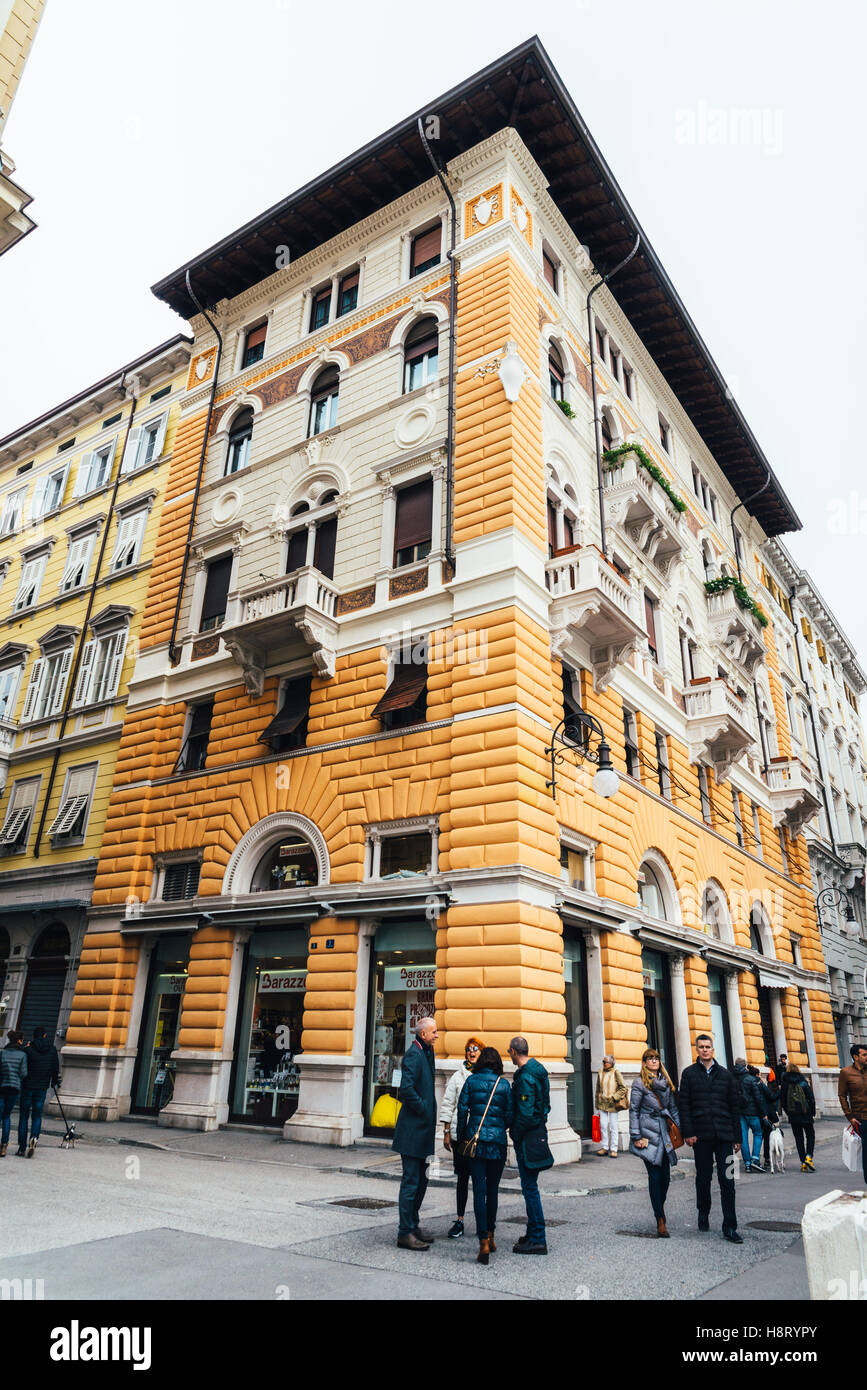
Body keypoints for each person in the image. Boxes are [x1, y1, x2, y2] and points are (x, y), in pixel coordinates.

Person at [678, 1033, 743, 1243]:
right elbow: (684, 1106)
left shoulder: (726, 1075)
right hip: (701, 1137)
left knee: (728, 1181)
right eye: (701, 1047)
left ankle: (730, 1226)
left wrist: (737, 1137)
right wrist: (688, 1133)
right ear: (696, 1049)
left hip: (725, 1137)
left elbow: (734, 1108)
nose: (705, 1050)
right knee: (703, 1178)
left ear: (712, 1049)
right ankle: (703, 1212)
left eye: (708, 1047)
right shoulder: (688, 1074)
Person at [456, 1045, 513, 1264]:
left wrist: (463, 1135)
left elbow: (462, 1110)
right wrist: (498, 1128)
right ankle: (491, 1235)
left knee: (479, 1191)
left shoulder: (471, 1081)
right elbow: (509, 1115)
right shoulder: (504, 1085)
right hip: (497, 1143)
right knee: (493, 1190)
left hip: (476, 1142)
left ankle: (483, 1243)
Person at [392, 1016, 438, 1250]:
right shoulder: (414, 1054)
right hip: (413, 1131)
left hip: (423, 1130)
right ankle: (405, 1232)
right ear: (423, 1034)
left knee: (421, 1181)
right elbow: (407, 1089)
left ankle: (413, 1225)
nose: (436, 1035)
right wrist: (423, 1109)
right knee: (411, 1182)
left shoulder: (427, 1052)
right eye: (434, 1032)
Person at [629, 1047, 680, 1237]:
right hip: (647, 1135)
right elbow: (634, 1110)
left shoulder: (665, 1081)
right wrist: (636, 1136)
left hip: (665, 1134)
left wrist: (679, 1129)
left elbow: (673, 1108)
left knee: (665, 1178)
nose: (653, 1061)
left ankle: (660, 1208)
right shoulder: (639, 1083)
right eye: (649, 1058)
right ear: (644, 1063)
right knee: (655, 1177)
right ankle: (660, 1219)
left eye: (656, 1058)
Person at [508, 1036, 550, 1255]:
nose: (509, 1054)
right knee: (530, 1186)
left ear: (515, 1052)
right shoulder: (539, 1071)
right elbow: (546, 1107)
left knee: (530, 1188)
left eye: (509, 1051)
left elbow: (525, 1113)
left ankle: (538, 1238)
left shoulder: (525, 1077)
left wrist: (514, 1133)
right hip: (537, 1133)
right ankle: (533, 1231)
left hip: (527, 1138)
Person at [441, 1036, 483, 1238]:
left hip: (479, 1136)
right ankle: (460, 1220)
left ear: (481, 1052)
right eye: (468, 1049)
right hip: (460, 1135)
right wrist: (446, 1132)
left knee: (480, 1180)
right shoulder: (457, 1076)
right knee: (462, 1179)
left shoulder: (485, 1076)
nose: (471, 1052)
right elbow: (448, 1104)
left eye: (475, 1049)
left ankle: (483, 1222)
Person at [18, 1025, 61, 1157]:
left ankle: (21, 1148)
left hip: (27, 1086)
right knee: (37, 1115)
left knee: (24, 1116)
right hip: (42, 1087)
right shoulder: (52, 1050)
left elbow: (22, 1066)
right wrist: (54, 1081)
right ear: (45, 1035)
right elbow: (55, 1068)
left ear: (34, 1036)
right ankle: (34, 1137)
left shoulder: (28, 1050)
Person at [838, 1042, 867, 1185]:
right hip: (861, 1119)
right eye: (864, 1055)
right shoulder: (846, 1072)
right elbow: (842, 1095)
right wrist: (849, 1116)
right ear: (855, 1057)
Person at [779, 1061, 816, 1170]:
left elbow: (783, 1101)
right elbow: (811, 1099)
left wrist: (788, 1112)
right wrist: (812, 1112)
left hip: (793, 1115)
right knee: (810, 1136)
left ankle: (803, 1163)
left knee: (799, 1139)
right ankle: (809, 1157)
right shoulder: (803, 1082)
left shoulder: (785, 1084)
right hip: (806, 1114)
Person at [733, 1057, 767, 1173]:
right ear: (745, 1066)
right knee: (758, 1133)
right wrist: (763, 1113)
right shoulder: (751, 1079)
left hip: (739, 1113)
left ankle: (747, 1164)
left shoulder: (731, 1078)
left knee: (743, 1138)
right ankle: (755, 1159)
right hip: (752, 1112)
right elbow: (758, 1098)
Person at [0, 1030, 29, 1157]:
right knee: (6, 1116)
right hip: (14, 1088)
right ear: (19, 1041)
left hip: (2, 1087)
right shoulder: (22, 1055)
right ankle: (3, 1146)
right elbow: (24, 1073)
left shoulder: (3, 1053)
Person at [595, 1054, 627, 1156]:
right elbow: (597, 1089)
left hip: (613, 1103)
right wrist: (596, 1102)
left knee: (613, 1126)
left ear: (611, 1063)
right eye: (603, 1062)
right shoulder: (600, 1072)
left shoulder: (616, 1072)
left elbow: (623, 1087)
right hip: (602, 1103)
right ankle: (604, 1147)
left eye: (606, 1062)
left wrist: (614, 1097)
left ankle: (614, 1149)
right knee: (603, 1125)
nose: (604, 1063)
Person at [749, 1064, 778, 1172]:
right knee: (765, 1136)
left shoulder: (747, 1083)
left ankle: (753, 1159)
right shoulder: (759, 1083)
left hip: (753, 1113)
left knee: (757, 1136)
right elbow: (770, 1096)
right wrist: (779, 1092)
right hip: (763, 1113)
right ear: (757, 1075)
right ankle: (767, 1159)